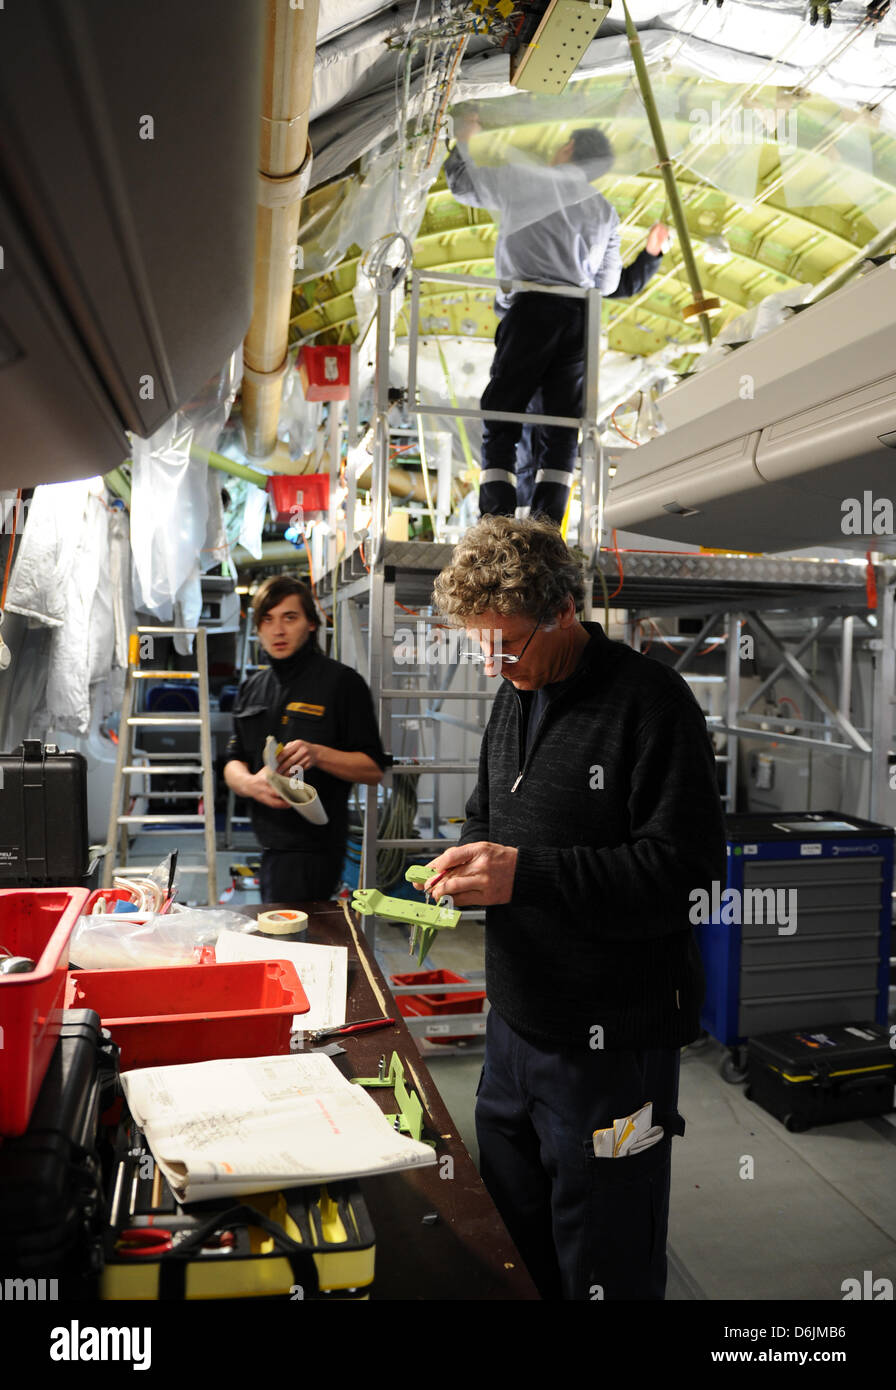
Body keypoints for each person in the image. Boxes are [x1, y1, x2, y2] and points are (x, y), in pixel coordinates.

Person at [418, 515, 726, 1301]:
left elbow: (685, 875)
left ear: (563, 610)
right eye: (478, 645)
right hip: (515, 1030)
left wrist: (526, 876)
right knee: (516, 1248)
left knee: (604, 1262)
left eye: (508, 642)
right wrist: (472, 856)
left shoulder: (651, 704)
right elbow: (493, 812)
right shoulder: (513, 692)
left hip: (612, 1048)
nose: (493, 662)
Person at [444, 114, 622, 524]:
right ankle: (548, 522)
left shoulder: (524, 181)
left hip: (529, 309)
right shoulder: (605, 211)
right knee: (561, 422)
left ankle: (497, 513)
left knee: (504, 408)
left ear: (569, 148)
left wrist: (465, 139)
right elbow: (608, 283)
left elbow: (461, 183)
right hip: (578, 316)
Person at [223, 575, 387, 903]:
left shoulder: (342, 684)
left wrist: (318, 754)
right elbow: (233, 758)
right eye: (267, 620)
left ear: (312, 623)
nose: (278, 631)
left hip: (315, 849)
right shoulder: (253, 687)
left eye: (290, 617)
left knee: (294, 942)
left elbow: (373, 769)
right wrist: (248, 783)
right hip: (270, 844)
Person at [516, 222, 672, 518]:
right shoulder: (538, 260)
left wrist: (652, 253)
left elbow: (620, 284)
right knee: (534, 436)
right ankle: (527, 519)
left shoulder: (581, 267)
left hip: (562, 356)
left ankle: (540, 523)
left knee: (552, 436)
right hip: (537, 351)